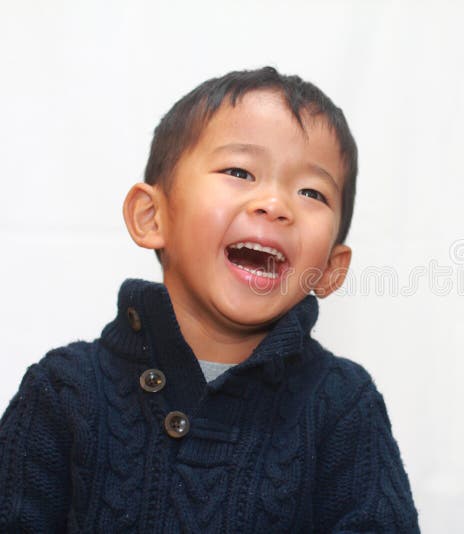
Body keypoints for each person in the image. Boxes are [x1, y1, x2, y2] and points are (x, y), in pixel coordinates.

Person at [0, 66, 419, 532]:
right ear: (151, 216)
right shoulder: (63, 391)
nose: (275, 204)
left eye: (311, 192)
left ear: (331, 269)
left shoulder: (343, 405)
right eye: (239, 171)